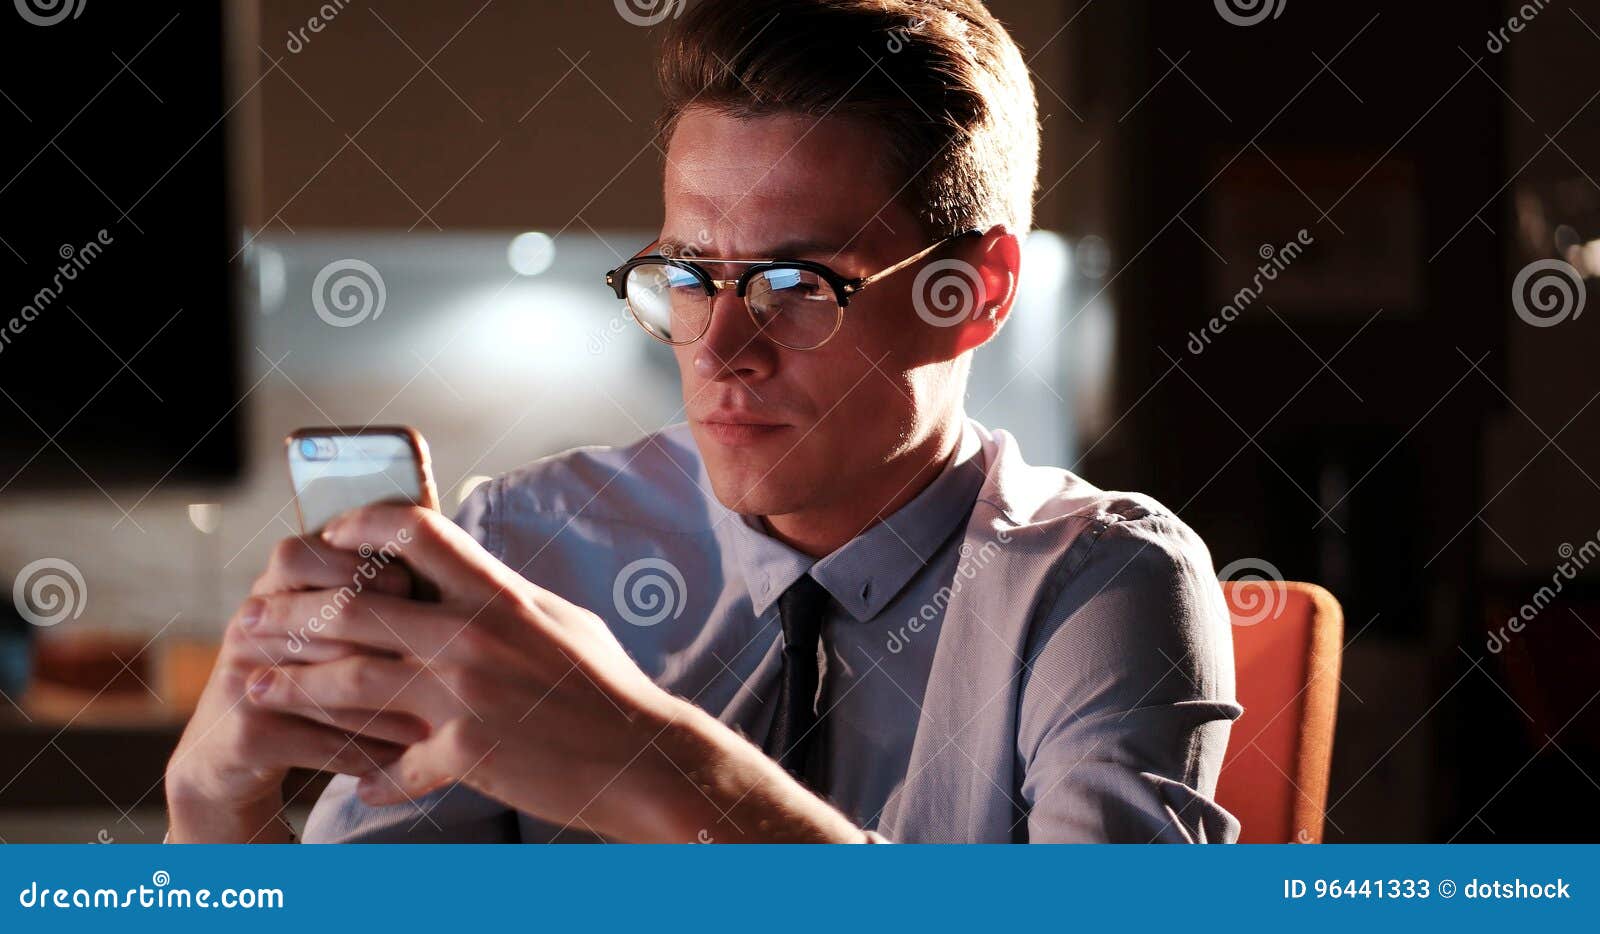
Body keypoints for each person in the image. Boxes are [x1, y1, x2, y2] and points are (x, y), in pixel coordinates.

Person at [165, 0, 1241, 844]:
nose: (720, 348)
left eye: (795, 280)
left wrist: (661, 774)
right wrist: (216, 822)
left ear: (976, 290)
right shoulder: (522, 547)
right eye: (687, 274)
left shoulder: (1097, 583)